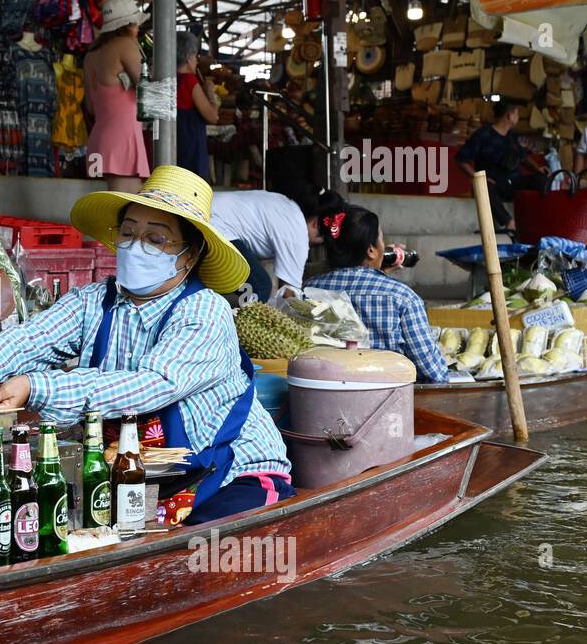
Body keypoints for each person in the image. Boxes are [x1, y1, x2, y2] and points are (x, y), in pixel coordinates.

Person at [0, 166, 293, 524]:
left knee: (193, 554)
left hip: (230, 472)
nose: (136, 245)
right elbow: (29, 339)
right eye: (128, 232)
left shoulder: (205, 311)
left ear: (188, 256)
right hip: (141, 475)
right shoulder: (94, 301)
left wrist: (38, 387)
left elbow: (152, 384)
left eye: (156, 239)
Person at [305, 205, 448, 383]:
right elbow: (434, 373)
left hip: (322, 396)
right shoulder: (402, 298)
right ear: (371, 250)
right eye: (381, 239)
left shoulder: (308, 290)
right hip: (386, 402)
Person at [210, 187, 345, 302]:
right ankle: (240, 328)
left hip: (202, 208)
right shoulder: (297, 231)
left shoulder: (286, 204)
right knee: (260, 286)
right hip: (213, 224)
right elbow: (288, 293)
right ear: (316, 225)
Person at [82, 0, 149, 193]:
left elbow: (91, 107)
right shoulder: (125, 45)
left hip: (98, 139)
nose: (138, 30)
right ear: (129, 24)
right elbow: (150, 91)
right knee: (124, 209)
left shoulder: (90, 55)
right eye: (137, 25)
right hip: (122, 139)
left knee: (102, 210)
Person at [455, 101, 538, 230]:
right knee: (484, 186)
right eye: (516, 113)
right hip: (494, 185)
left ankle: (539, 220)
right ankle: (510, 224)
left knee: (540, 180)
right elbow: (461, 159)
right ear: (509, 116)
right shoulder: (483, 135)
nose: (518, 117)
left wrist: (538, 169)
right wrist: (478, 178)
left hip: (514, 183)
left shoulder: (512, 137)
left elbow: (524, 158)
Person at [176, 30, 222, 183]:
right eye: (195, 56)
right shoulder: (189, 80)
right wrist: (210, 93)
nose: (196, 60)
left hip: (176, 146)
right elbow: (212, 116)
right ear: (188, 57)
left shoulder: (170, 79)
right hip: (191, 147)